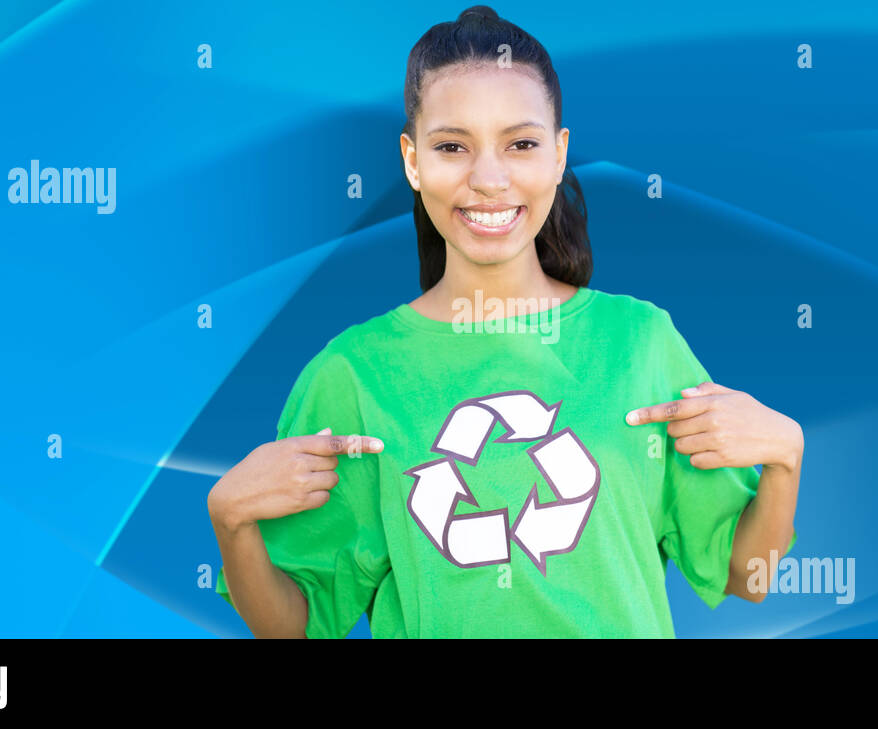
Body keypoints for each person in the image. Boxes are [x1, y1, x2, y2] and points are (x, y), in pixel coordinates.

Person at [207, 5, 803, 638]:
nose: (489, 179)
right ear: (413, 162)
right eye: (451, 147)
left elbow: (748, 579)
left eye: (521, 144)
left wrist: (786, 456)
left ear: (557, 154)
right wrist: (230, 523)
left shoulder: (641, 344)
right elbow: (291, 627)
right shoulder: (353, 374)